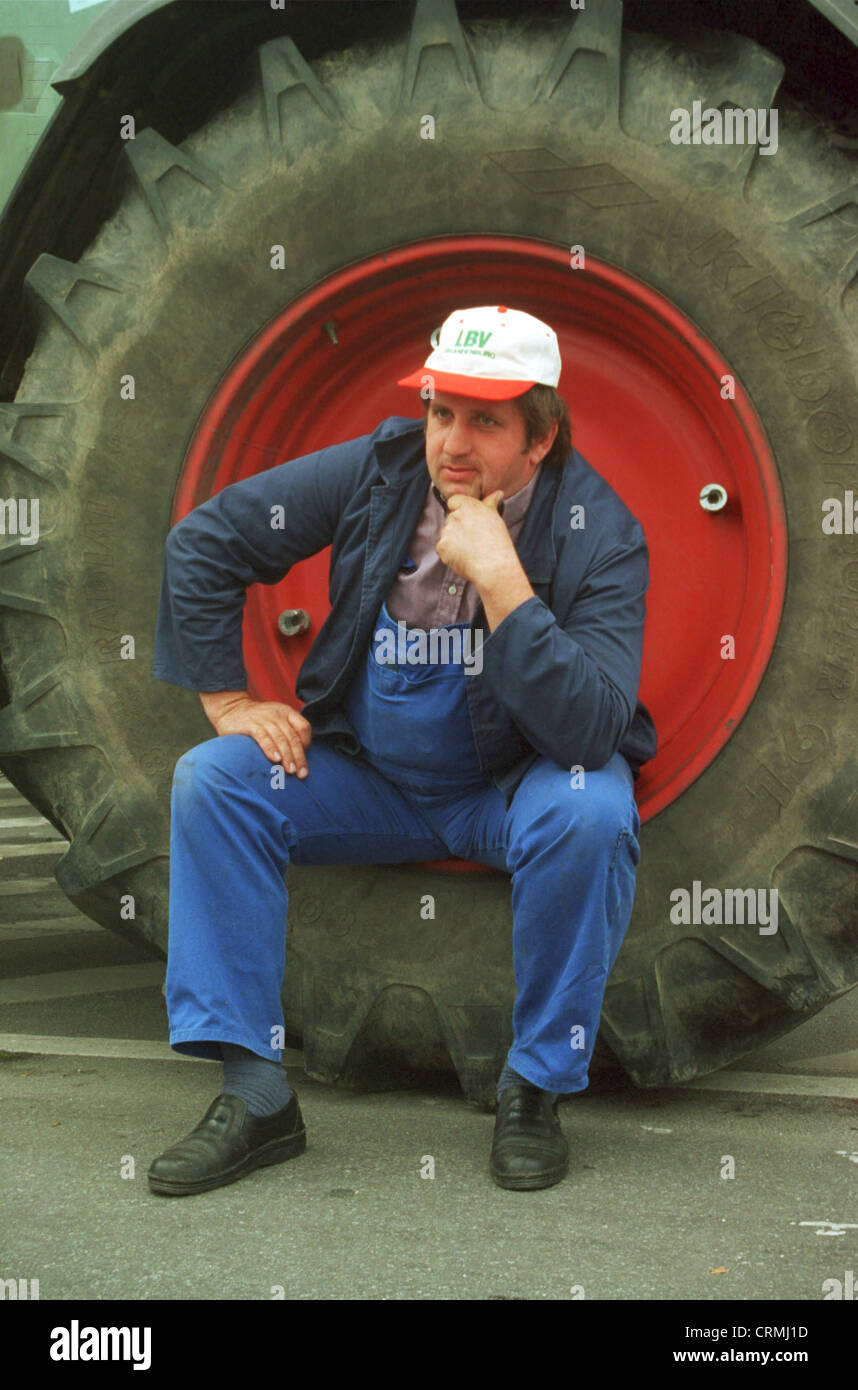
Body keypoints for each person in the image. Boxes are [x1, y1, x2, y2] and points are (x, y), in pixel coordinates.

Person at [147, 304, 657, 1197]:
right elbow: (206, 543)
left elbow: (590, 731)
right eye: (440, 411)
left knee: (592, 807)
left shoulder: (601, 533)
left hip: (510, 787)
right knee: (216, 782)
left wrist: (503, 581)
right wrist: (228, 699)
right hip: (372, 778)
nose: (452, 443)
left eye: (486, 421)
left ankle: (534, 1089)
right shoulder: (379, 469)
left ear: (539, 440)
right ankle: (256, 1092)